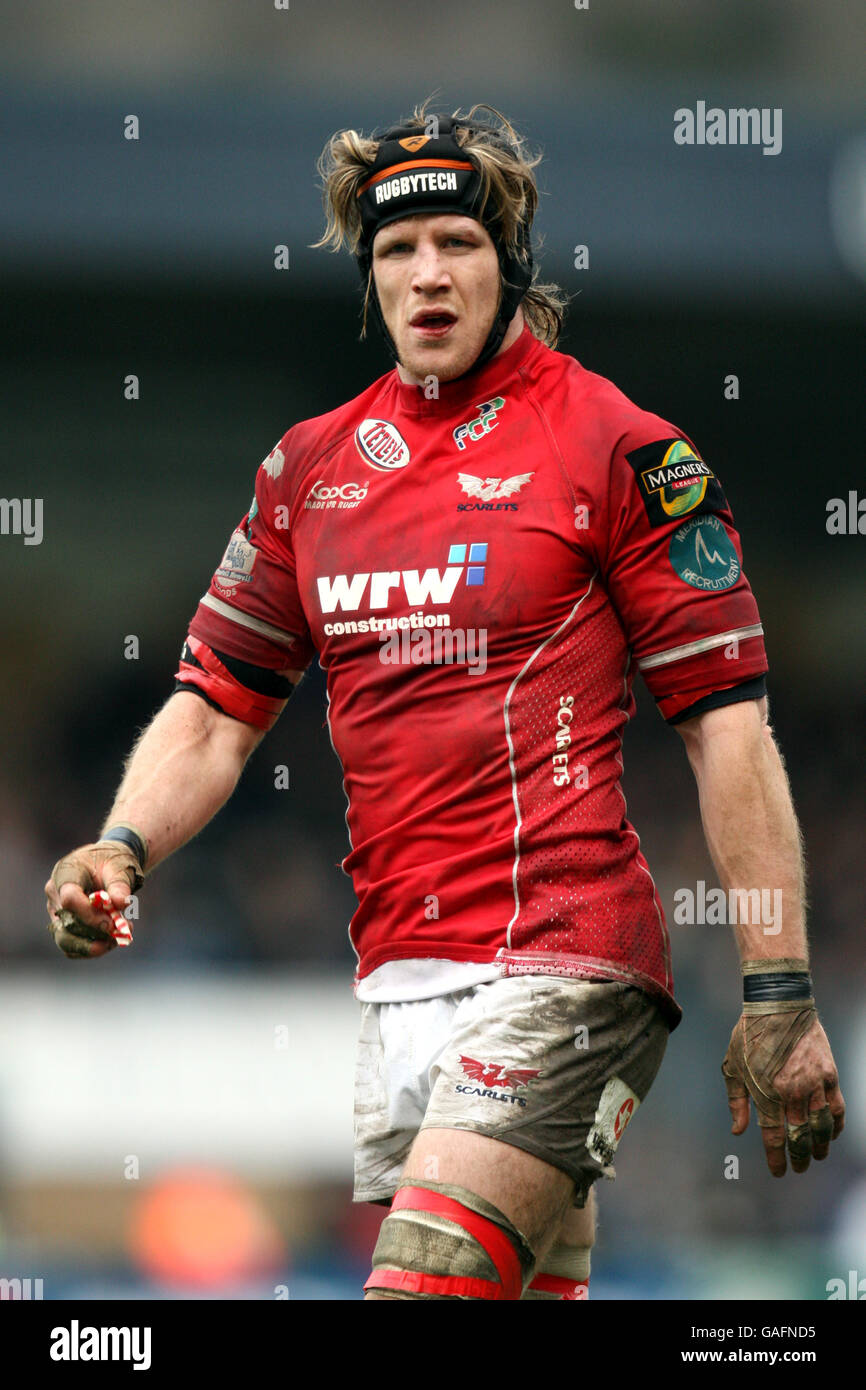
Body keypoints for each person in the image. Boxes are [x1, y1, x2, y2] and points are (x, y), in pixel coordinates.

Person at [45, 103, 845, 1301]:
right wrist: (121, 843)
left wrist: (775, 985)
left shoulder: (619, 451)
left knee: (414, 1293)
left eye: (455, 244)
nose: (425, 274)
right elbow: (215, 708)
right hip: (400, 981)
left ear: (509, 260)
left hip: (568, 964)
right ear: (368, 278)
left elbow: (727, 728)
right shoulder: (309, 469)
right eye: (395, 251)